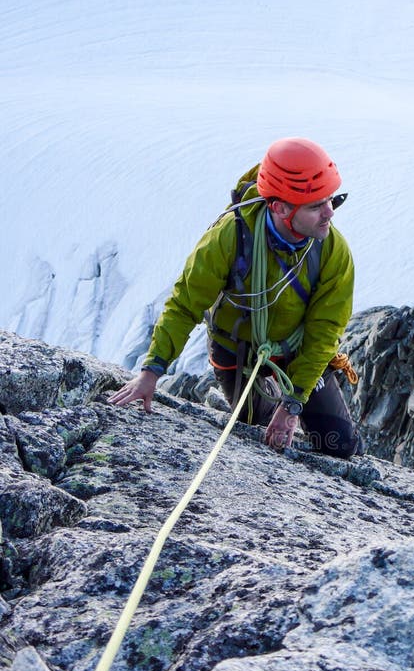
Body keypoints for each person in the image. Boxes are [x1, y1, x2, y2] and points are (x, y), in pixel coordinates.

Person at [109, 137, 363, 457]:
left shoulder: (332, 251)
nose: (330, 213)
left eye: (331, 200)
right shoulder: (230, 236)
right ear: (280, 207)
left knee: (340, 446)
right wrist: (150, 374)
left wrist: (293, 403)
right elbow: (185, 304)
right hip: (238, 349)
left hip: (297, 348)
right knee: (259, 434)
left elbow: (324, 331)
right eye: (316, 206)